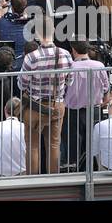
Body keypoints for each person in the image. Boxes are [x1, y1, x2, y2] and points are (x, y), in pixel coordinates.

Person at [18, 16, 72, 174]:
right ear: (54, 31)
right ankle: (53, 180)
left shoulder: (31, 57)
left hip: (35, 107)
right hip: (57, 104)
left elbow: (22, 84)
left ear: (37, 34)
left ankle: (33, 181)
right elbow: (70, 81)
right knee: (54, 144)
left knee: (33, 145)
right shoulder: (65, 54)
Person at [62, 41, 109, 171]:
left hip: (73, 112)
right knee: (93, 143)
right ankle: (92, 170)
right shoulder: (99, 66)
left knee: (73, 146)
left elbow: (63, 88)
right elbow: (106, 88)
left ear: (73, 50)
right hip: (93, 110)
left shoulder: (70, 67)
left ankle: (75, 171)